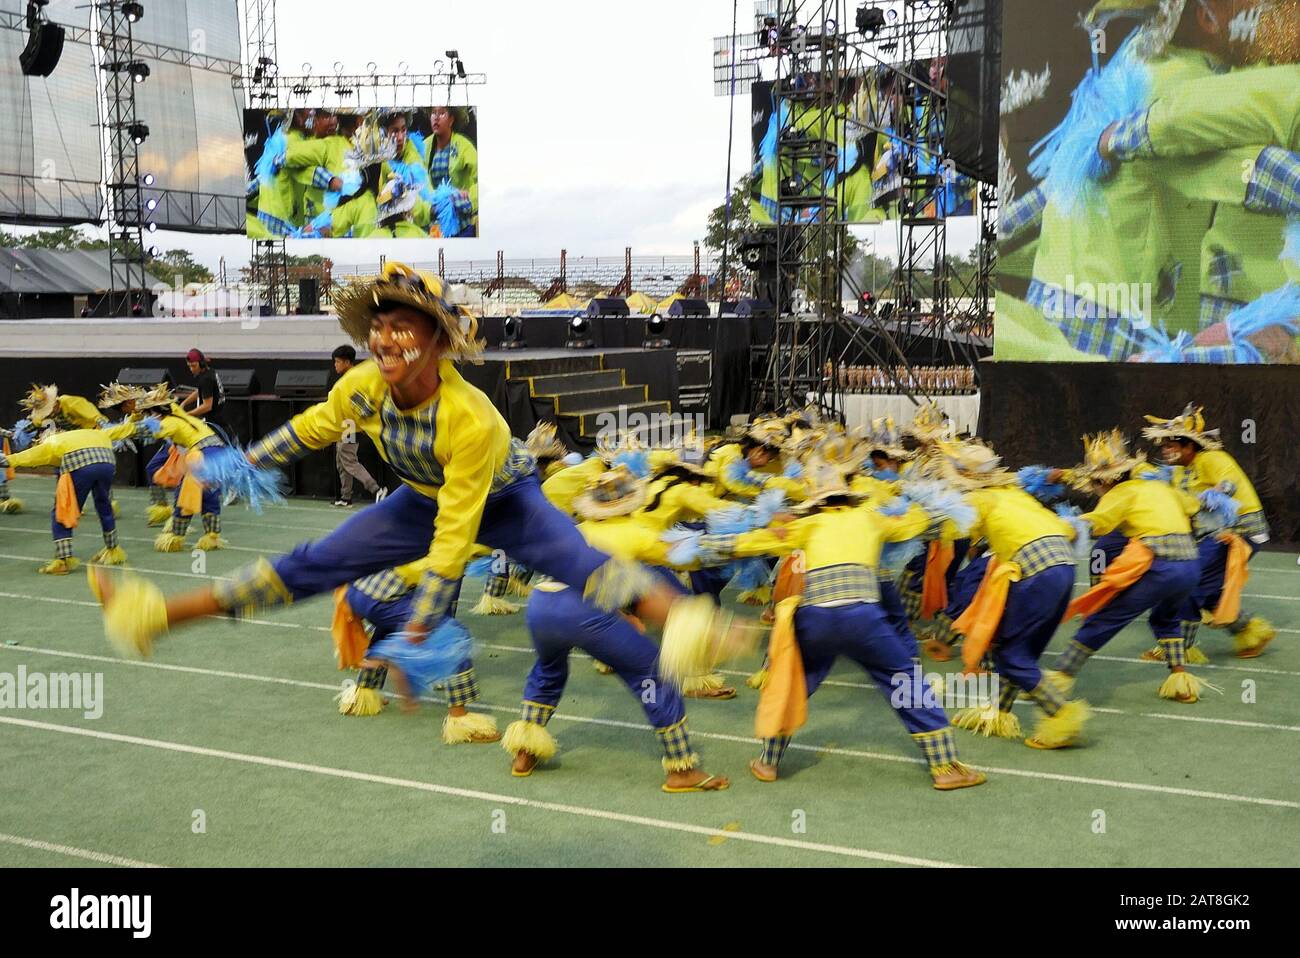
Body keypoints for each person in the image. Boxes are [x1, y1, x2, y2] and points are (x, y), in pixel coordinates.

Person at [89, 263, 738, 691]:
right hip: (420, 500)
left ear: (435, 340)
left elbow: (458, 535)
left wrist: (422, 624)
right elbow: (309, 429)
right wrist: (241, 462)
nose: (384, 338)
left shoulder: (470, 418)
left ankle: (696, 628)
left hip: (505, 501)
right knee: (310, 563)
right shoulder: (365, 386)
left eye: (402, 326)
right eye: (379, 326)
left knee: (586, 564)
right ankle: (157, 617)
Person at [503, 467, 730, 791]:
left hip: (542, 606)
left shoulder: (574, 528)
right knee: (654, 675)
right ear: (630, 502)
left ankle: (524, 753)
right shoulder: (633, 530)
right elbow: (690, 556)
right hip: (581, 610)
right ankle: (681, 770)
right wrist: (746, 541)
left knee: (548, 670)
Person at [1051, 431, 1207, 702]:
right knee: (1165, 618)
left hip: (1162, 567)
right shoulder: (1158, 487)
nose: (1094, 489)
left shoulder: (1120, 493)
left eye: (1095, 483)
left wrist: (1054, 528)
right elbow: (1193, 504)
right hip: (1191, 564)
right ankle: (1180, 679)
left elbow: (1097, 522)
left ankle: (1059, 679)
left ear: (1103, 481)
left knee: (1105, 618)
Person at [1141, 404, 1275, 657]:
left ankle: (1178, 650)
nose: (1165, 450)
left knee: (1191, 583)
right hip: (1215, 534)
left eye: (1171, 445)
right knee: (1209, 590)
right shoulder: (1181, 470)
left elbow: (1228, 485)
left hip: (1238, 532)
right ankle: (1252, 633)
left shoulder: (1213, 458)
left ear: (1189, 446)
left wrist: (1215, 493)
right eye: (1164, 446)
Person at [0, 428, 125, 574]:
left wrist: (7, 460)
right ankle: (113, 549)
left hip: (80, 465)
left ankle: (63, 560)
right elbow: (116, 430)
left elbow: (32, 455)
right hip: (107, 461)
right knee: (104, 504)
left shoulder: (52, 442)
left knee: (63, 509)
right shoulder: (90, 433)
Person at [328, 344, 383, 507]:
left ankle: (376, 490)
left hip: (350, 426)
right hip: (344, 426)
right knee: (341, 462)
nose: (335, 365)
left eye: (338, 362)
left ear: (346, 362)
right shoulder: (346, 378)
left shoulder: (353, 379)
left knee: (349, 460)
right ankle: (346, 497)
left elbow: (361, 405)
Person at [424, 106, 478, 237]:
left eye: (442, 113)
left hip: (463, 224)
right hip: (434, 224)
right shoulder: (424, 146)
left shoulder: (464, 146)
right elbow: (420, 183)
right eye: (433, 113)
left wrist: (468, 198)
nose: (436, 117)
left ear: (451, 120)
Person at [180, 349, 227, 434]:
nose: (191, 369)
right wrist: (184, 403)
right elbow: (201, 391)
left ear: (201, 364)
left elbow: (207, 406)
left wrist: (187, 415)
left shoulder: (206, 379)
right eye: (189, 366)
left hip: (212, 423)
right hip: (219, 418)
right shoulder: (210, 371)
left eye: (193, 366)